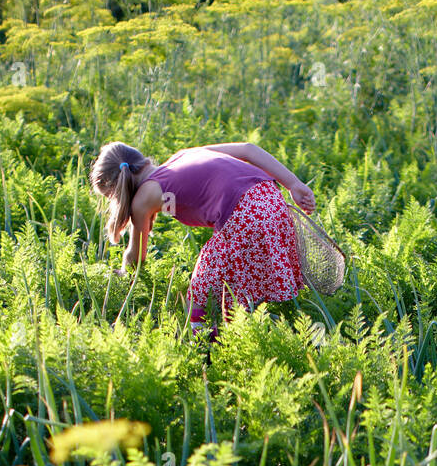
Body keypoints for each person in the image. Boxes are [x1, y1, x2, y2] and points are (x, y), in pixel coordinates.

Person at [89, 142, 316, 336]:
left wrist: (123, 274)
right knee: (240, 293)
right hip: (272, 201)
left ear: (117, 189)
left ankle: (209, 354)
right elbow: (248, 149)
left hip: (244, 217)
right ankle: (259, 335)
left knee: (198, 299)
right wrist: (293, 184)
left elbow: (136, 255)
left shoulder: (144, 198)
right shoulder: (184, 154)